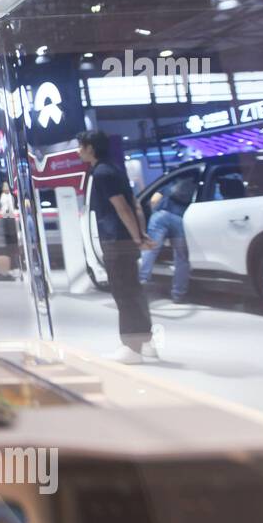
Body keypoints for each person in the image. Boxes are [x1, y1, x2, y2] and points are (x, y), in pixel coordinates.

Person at [77, 129, 158, 363]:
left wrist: (136, 237)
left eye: (81, 146)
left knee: (124, 292)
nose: (78, 151)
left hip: (116, 240)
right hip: (122, 238)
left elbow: (122, 207)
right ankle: (146, 341)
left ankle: (132, 348)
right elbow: (135, 205)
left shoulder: (101, 173)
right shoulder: (113, 170)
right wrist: (139, 234)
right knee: (133, 290)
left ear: (91, 148)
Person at [137, 175, 194, 303]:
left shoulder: (172, 180)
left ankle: (141, 282)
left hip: (161, 217)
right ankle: (178, 294)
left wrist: (154, 213)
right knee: (181, 258)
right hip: (181, 219)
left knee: (150, 251)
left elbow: (153, 200)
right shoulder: (194, 183)